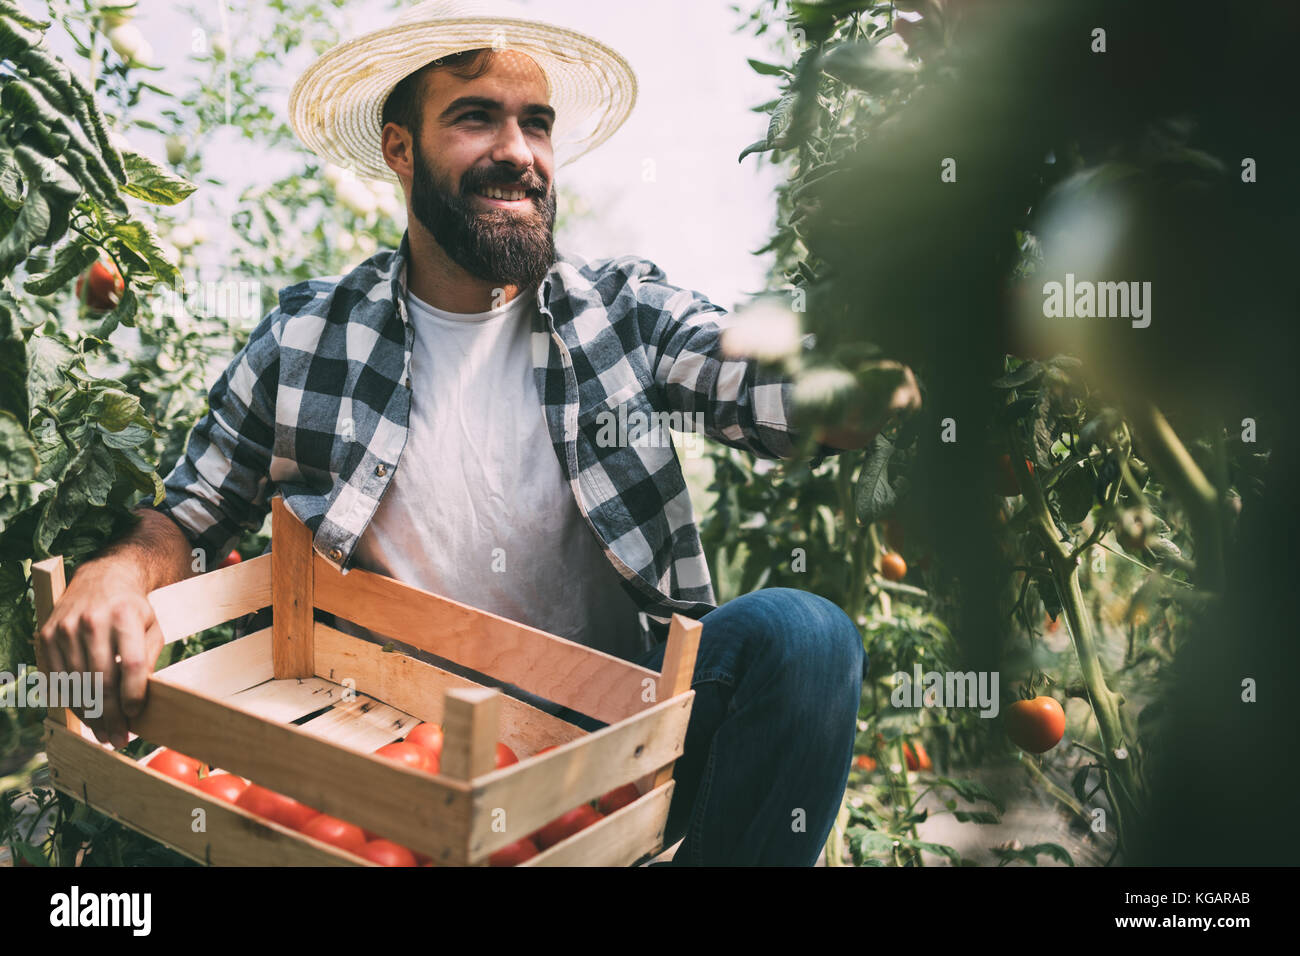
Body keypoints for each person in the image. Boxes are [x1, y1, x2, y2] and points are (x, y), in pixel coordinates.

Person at [36, 0, 920, 865]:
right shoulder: (308, 338)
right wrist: (118, 572)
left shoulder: (623, 313)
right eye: (475, 117)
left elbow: (755, 383)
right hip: (398, 753)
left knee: (803, 638)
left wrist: (850, 379)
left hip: (610, 747)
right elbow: (188, 514)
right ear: (399, 147)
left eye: (537, 123)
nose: (518, 152)